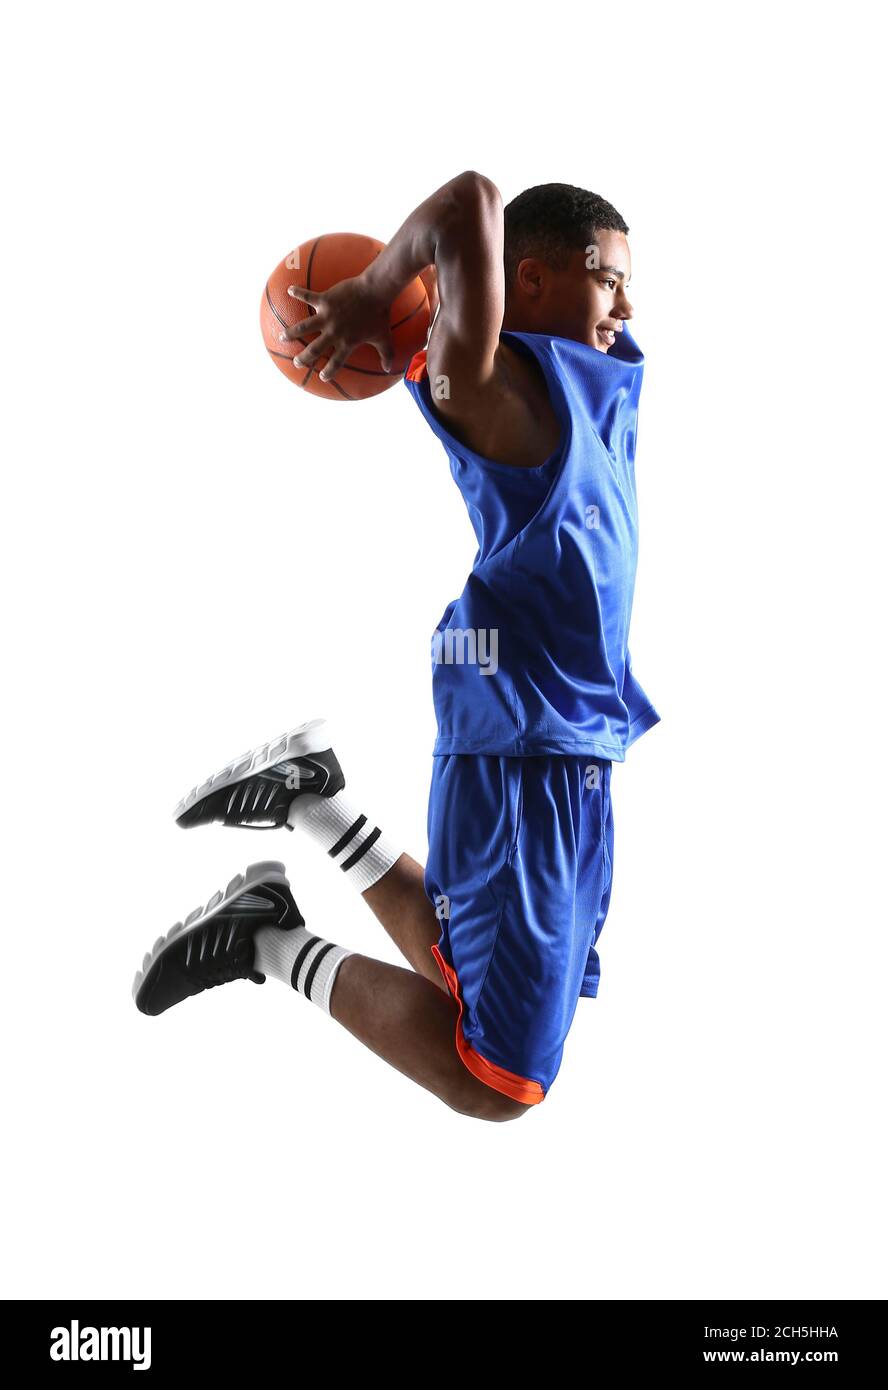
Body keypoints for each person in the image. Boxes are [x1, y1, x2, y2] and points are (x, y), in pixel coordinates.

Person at [132, 171, 660, 1122]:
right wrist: (383, 288)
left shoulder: (596, 381)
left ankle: (312, 804)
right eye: (607, 278)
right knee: (502, 1080)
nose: (628, 304)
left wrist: (591, 300)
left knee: (477, 979)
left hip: (565, 746)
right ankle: (269, 943)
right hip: (525, 753)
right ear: (527, 282)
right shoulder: (492, 391)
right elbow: (472, 204)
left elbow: (540, 271)